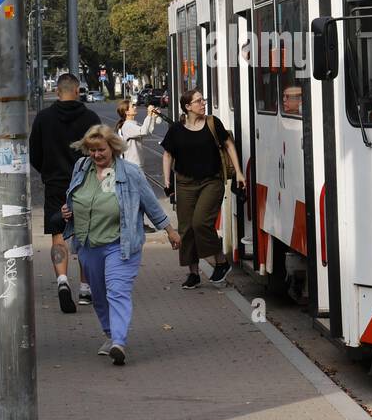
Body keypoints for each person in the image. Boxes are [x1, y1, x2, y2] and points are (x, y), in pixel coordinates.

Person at [60, 125, 181, 365]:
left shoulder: (129, 172)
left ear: (113, 148)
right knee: (100, 295)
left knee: (117, 290)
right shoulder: (81, 168)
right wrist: (67, 211)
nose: (96, 155)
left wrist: (170, 230)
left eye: (101, 149)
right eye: (92, 150)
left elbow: (150, 203)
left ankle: (119, 341)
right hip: (88, 243)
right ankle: (109, 333)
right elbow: (73, 196)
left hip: (120, 243)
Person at [29, 72, 100, 312]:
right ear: (78, 90)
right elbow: (100, 150)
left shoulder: (43, 118)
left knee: (58, 234)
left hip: (55, 184)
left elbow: (34, 154)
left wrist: (48, 172)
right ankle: (85, 289)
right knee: (85, 236)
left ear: (57, 92)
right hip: (86, 184)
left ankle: (61, 280)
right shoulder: (90, 117)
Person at [160, 90, 245, 289]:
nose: (203, 103)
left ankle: (221, 261)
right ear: (187, 107)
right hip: (184, 183)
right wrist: (166, 181)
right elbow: (167, 155)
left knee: (200, 223)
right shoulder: (176, 130)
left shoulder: (213, 123)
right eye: (198, 101)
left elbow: (229, 145)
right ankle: (193, 273)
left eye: (203, 100)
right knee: (186, 228)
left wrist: (239, 172)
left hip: (211, 181)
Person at [116, 98, 160, 172]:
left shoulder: (133, 123)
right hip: (132, 165)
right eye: (132, 106)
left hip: (137, 164)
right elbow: (143, 131)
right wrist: (149, 115)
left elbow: (148, 132)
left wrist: (152, 117)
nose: (135, 107)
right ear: (127, 112)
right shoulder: (127, 126)